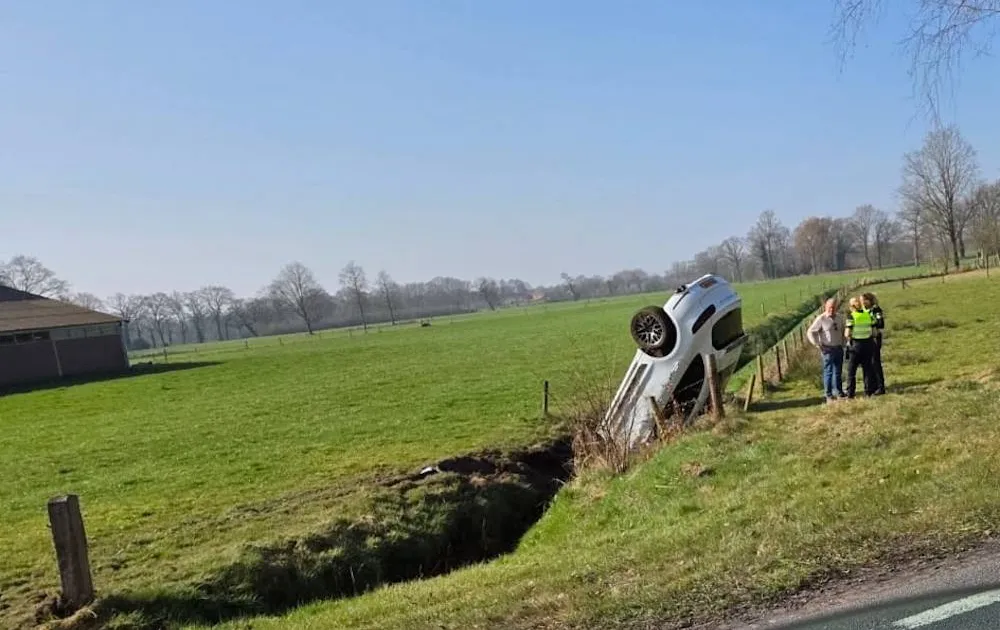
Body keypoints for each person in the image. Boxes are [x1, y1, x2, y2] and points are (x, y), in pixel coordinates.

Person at [806, 298, 847, 403]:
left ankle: (839, 392)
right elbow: (810, 332)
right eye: (829, 307)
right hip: (827, 349)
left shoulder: (840, 318)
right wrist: (817, 344)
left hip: (838, 348)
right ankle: (828, 395)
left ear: (836, 307)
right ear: (826, 307)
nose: (831, 310)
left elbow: (844, 331)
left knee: (838, 372)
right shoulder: (821, 318)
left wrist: (844, 343)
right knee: (828, 372)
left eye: (833, 307)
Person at [844, 296, 877, 398]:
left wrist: (849, 338)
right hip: (868, 343)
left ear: (852, 307)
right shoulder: (869, 315)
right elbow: (875, 332)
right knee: (867, 369)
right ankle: (868, 391)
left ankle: (850, 393)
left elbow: (847, 333)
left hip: (856, 345)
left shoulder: (852, 316)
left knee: (851, 370)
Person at [861, 292, 886, 395]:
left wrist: (869, 322)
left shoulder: (876, 310)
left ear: (868, 300)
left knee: (875, 362)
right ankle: (870, 386)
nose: (862, 303)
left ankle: (880, 386)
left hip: (874, 338)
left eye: (863, 300)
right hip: (864, 338)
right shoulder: (862, 311)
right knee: (867, 363)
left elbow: (881, 324)